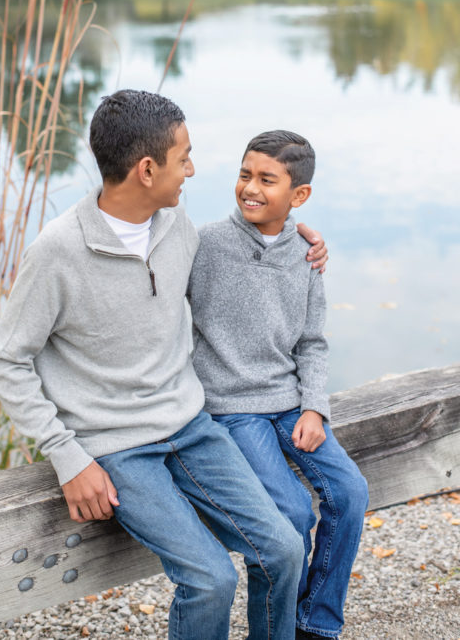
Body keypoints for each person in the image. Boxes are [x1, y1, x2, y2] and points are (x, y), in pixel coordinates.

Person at [0, 89, 327, 640]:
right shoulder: (58, 251)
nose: (192, 170)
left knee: (284, 550)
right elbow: (6, 361)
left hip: (192, 429)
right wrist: (68, 457)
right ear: (147, 169)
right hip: (117, 446)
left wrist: (296, 239)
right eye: (183, 157)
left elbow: (239, 258)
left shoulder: (176, 227)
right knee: (211, 580)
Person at [188, 130, 368, 640]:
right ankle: (274, 627)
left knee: (351, 491)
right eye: (245, 175)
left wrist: (315, 407)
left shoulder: (306, 256)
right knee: (290, 511)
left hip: (291, 404)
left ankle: (315, 624)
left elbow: (311, 342)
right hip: (230, 407)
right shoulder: (204, 244)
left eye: (268, 180)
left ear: (299, 195)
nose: (251, 188)